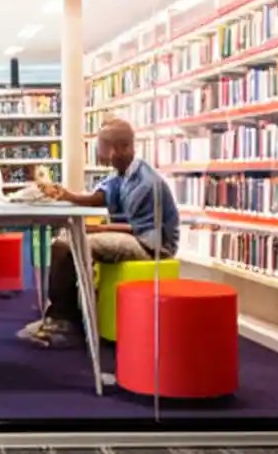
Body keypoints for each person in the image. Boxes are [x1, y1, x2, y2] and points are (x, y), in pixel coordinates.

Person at [18, 118, 180, 348]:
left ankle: (65, 319)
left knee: (67, 245)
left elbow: (138, 228)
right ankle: (62, 314)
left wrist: (97, 228)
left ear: (120, 148)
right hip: (136, 236)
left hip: (151, 245)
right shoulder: (121, 175)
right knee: (63, 243)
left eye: (103, 149)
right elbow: (102, 196)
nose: (100, 155)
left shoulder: (146, 183)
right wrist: (67, 196)